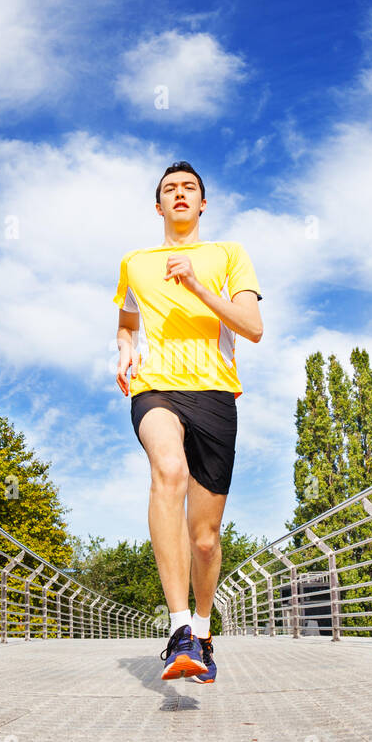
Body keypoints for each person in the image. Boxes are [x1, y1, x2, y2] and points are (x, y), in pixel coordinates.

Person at [112, 161, 263, 683]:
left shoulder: (229, 255)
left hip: (216, 394)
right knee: (168, 472)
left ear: (202, 204)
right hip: (155, 387)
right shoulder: (135, 262)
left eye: (189, 188)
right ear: (159, 206)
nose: (180, 194)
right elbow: (128, 319)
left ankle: (202, 629)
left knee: (204, 538)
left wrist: (198, 286)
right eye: (170, 189)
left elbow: (253, 327)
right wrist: (125, 349)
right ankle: (178, 628)